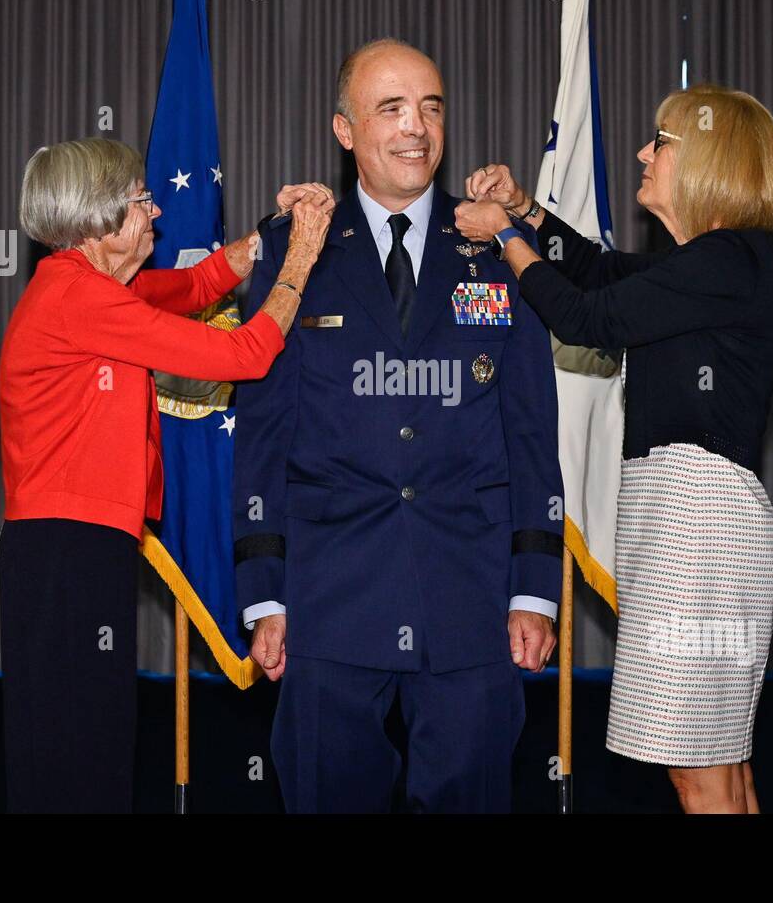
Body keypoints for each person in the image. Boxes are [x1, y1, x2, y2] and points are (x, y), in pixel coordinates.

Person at [232, 40, 564, 813]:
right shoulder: (296, 248)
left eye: (431, 106)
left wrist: (536, 589)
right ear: (345, 131)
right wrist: (263, 593)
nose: (417, 127)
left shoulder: (493, 243)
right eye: (391, 108)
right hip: (327, 595)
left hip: (471, 596)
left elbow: (531, 432)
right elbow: (262, 434)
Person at [455, 83, 773, 814]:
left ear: (710, 159)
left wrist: (503, 237)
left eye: (662, 142)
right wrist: (525, 212)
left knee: (695, 772)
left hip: (699, 531)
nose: (644, 152)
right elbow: (596, 270)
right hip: (695, 524)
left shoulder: (729, 259)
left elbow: (583, 317)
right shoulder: (724, 260)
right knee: (722, 769)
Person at [0, 136, 332, 812]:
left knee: (83, 742)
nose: (154, 214)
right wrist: (301, 259)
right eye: (140, 201)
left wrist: (276, 232)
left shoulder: (84, 286)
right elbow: (245, 353)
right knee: (77, 751)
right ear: (97, 218)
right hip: (68, 550)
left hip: (74, 547)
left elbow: (198, 284)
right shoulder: (78, 299)